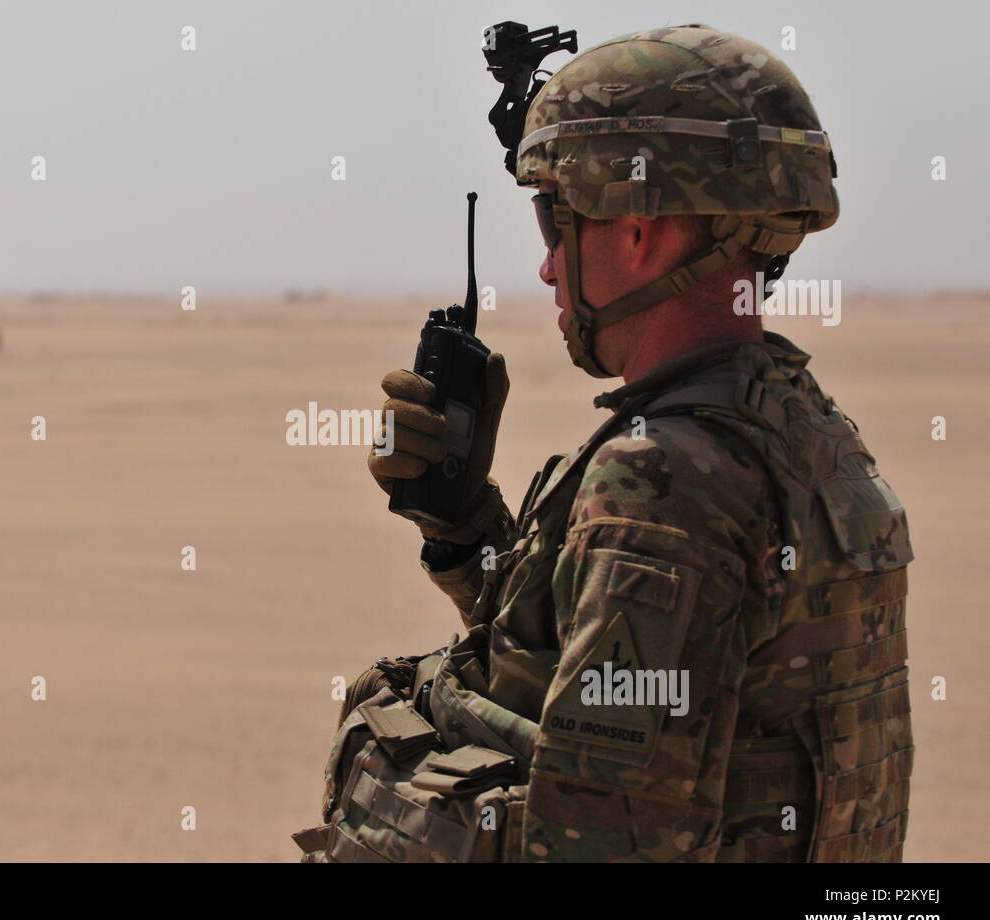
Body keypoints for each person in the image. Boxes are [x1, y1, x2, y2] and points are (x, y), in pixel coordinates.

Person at [299, 25, 914, 863]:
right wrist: (463, 524)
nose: (551, 268)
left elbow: (604, 842)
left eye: (558, 223)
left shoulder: (666, 479)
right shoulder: (805, 429)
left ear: (636, 229)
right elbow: (601, 676)